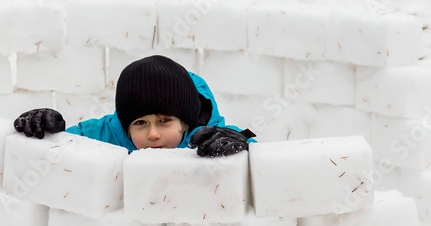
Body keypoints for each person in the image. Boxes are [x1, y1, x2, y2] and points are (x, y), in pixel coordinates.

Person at [13, 55, 255, 156]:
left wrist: (242, 147)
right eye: (140, 123)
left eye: (164, 121)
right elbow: (60, 148)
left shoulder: (210, 137)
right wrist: (42, 127)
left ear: (186, 122)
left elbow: (260, 157)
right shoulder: (104, 136)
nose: (153, 134)